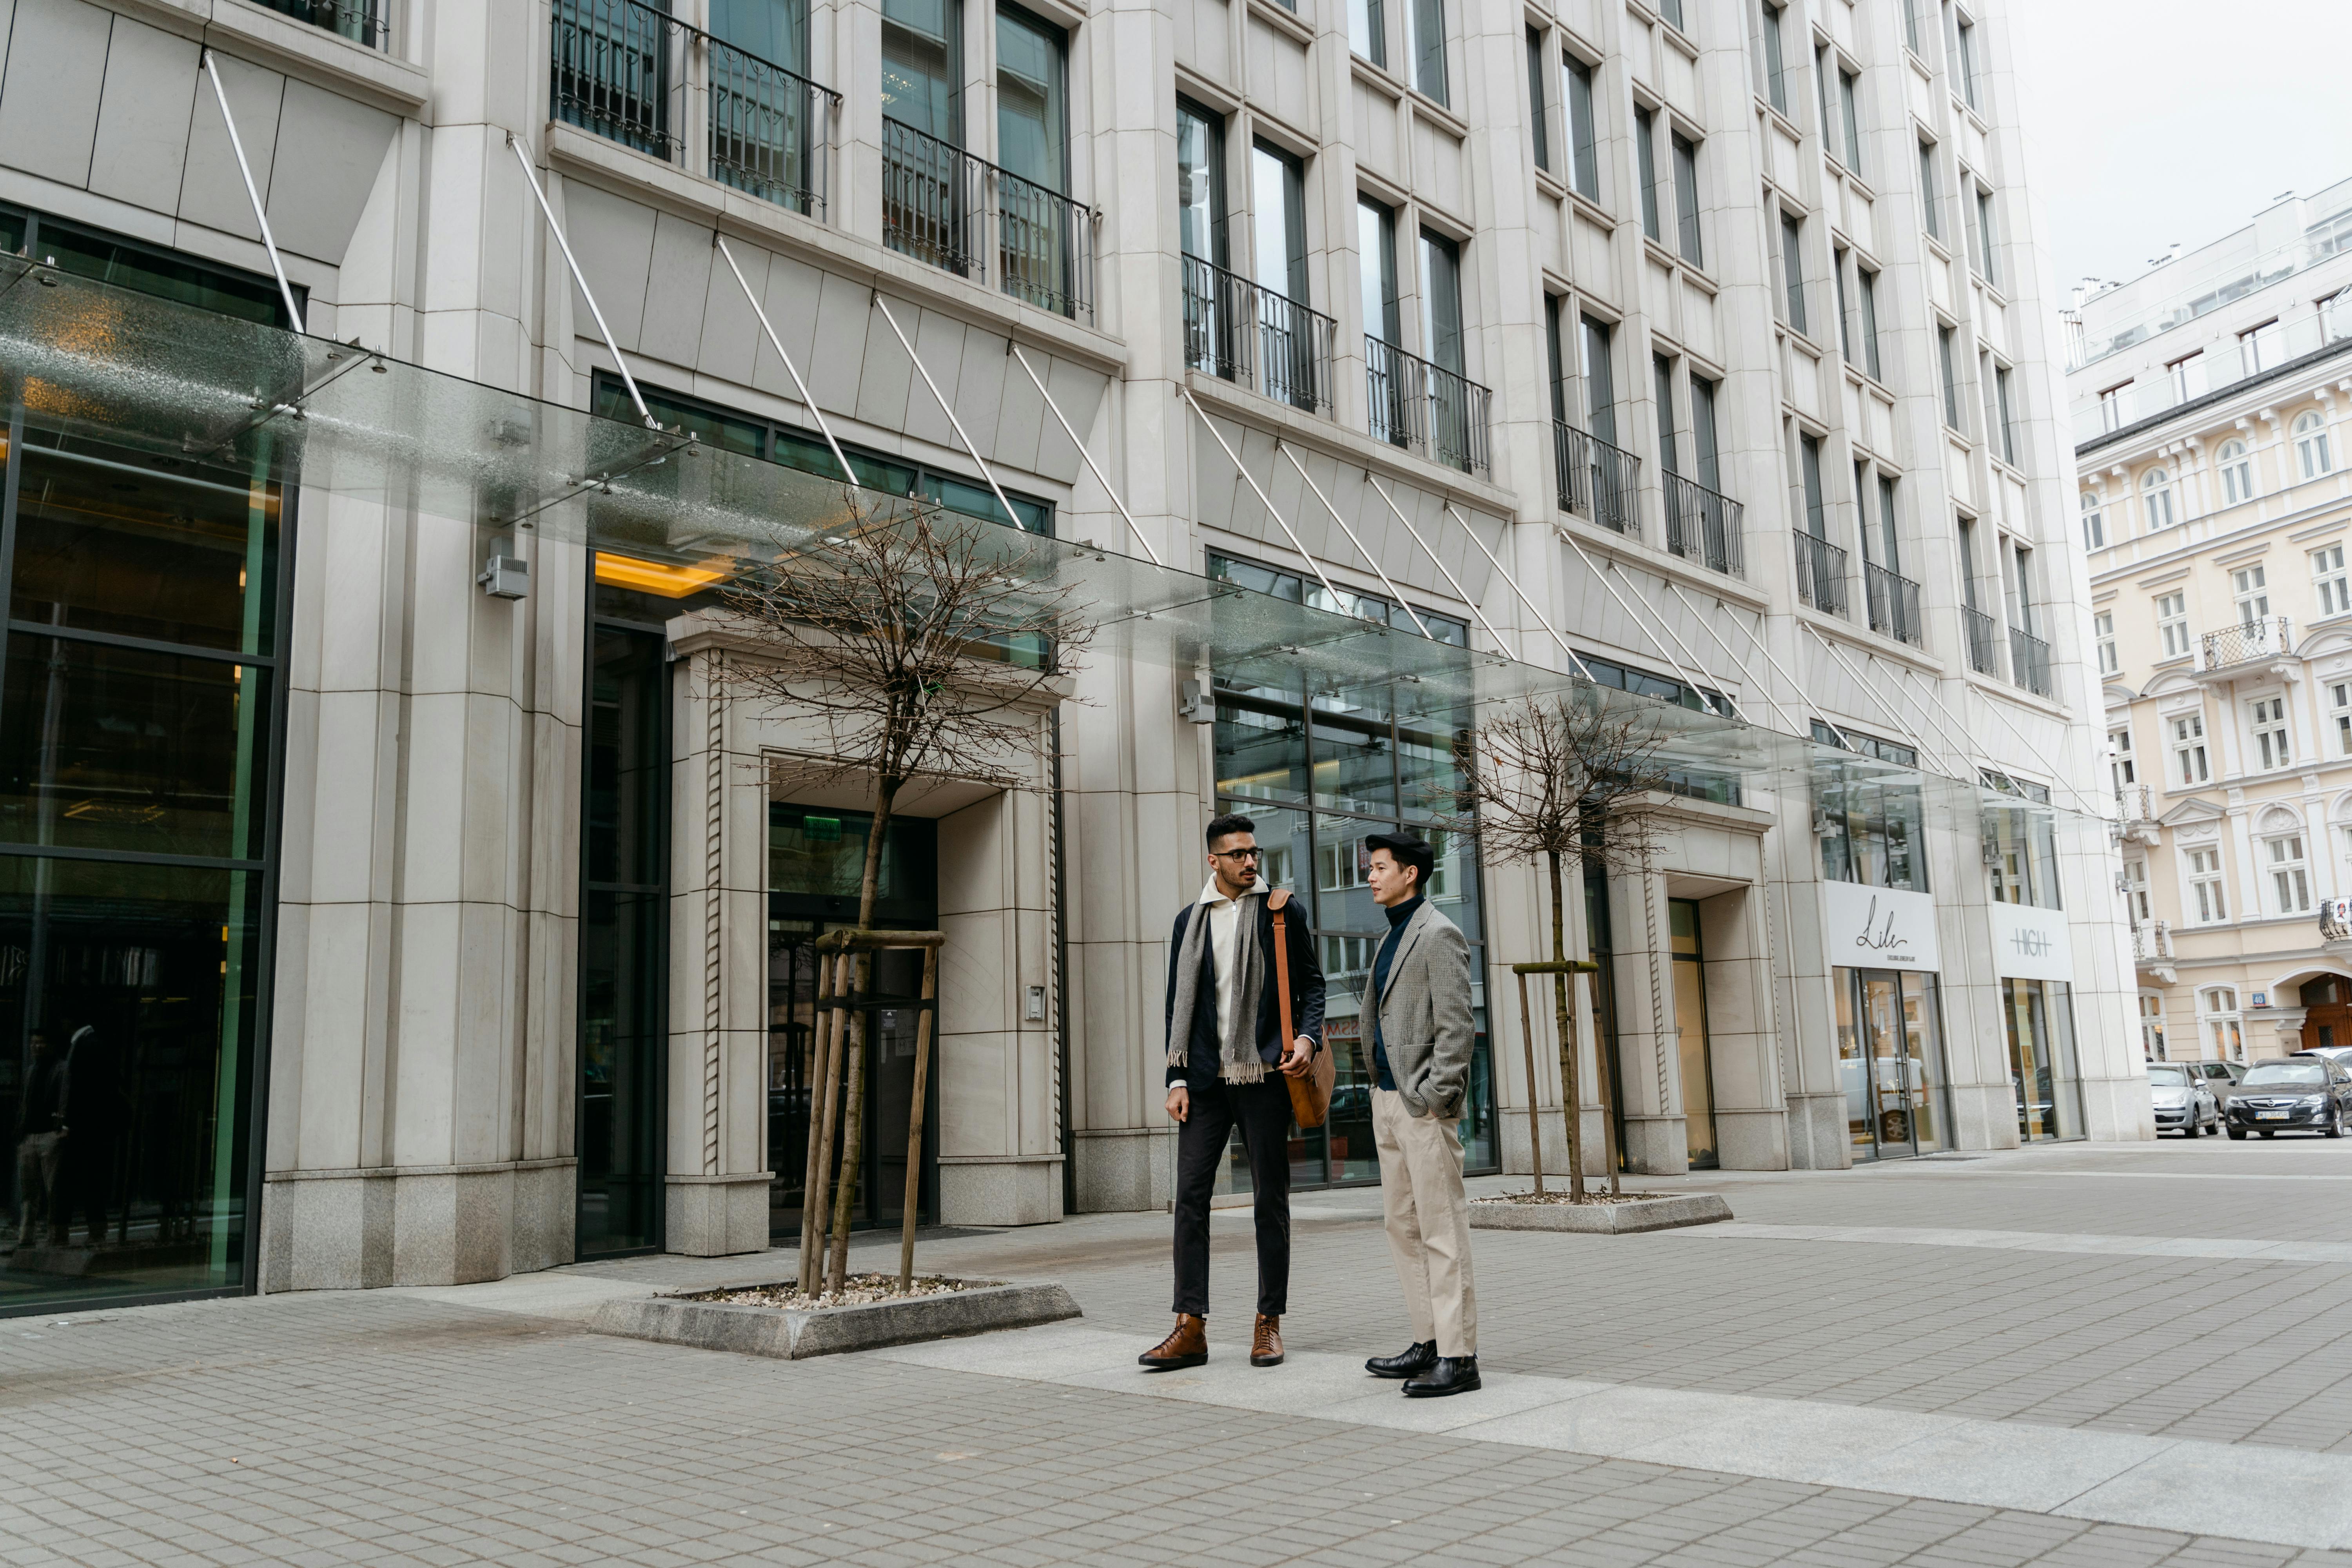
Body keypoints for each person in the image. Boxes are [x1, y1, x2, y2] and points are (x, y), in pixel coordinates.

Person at [1139, 812, 1324, 1372]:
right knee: (1191, 1199)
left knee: (1271, 1198)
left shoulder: (1281, 911)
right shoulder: (1189, 922)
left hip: (1266, 1075)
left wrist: (1309, 1040)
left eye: (1254, 853)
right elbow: (1179, 1002)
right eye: (1238, 854)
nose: (1250, 862)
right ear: (1213, 860)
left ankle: (1268, 1322)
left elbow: (1312, 985)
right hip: (1204, 1080)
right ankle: (1189, 1326)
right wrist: (1175, 1078)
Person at [1357, 831, 1482, 1397]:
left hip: (1422, 1108)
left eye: (1380, 867)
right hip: (1388, 1101)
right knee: (1403, 1227)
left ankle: (1460, 1356)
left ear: (1410, 873)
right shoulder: (1391, 937)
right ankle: (1428, 1341)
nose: (1371, 876)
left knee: (1441, 1230)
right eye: (1370, 868)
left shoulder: (1439, 934)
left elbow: (1457, 1028)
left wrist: (1435, 1096)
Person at [12, 1031, 66, 1248]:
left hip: (49, 1134)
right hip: (30, 1135)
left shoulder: (62, 1069)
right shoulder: (31, 1071)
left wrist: (60, 1128)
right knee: (29, 1190)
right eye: (34, 1043)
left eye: (42, 1042)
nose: (38, 1047)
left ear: (52, 1045)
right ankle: (26, 1236)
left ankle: (55, 1234)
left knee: (53, 1188)